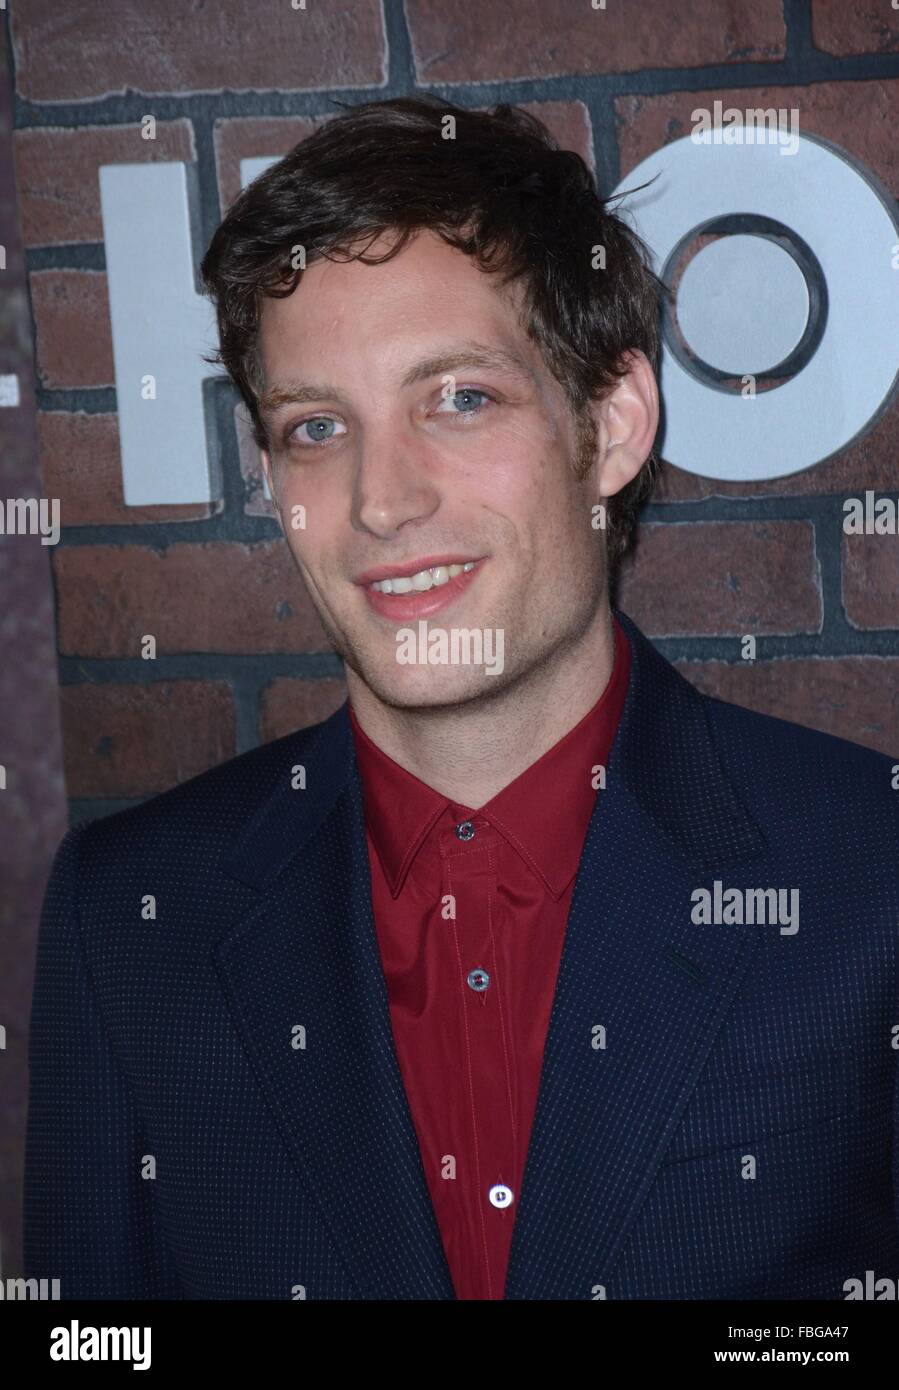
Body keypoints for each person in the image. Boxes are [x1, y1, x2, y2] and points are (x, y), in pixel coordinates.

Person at [24, 95, 899, 1300]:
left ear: (608, 425)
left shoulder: (868, 870)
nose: (381, 499)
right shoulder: (126, 918)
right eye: (317, 425)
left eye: (459, 399)